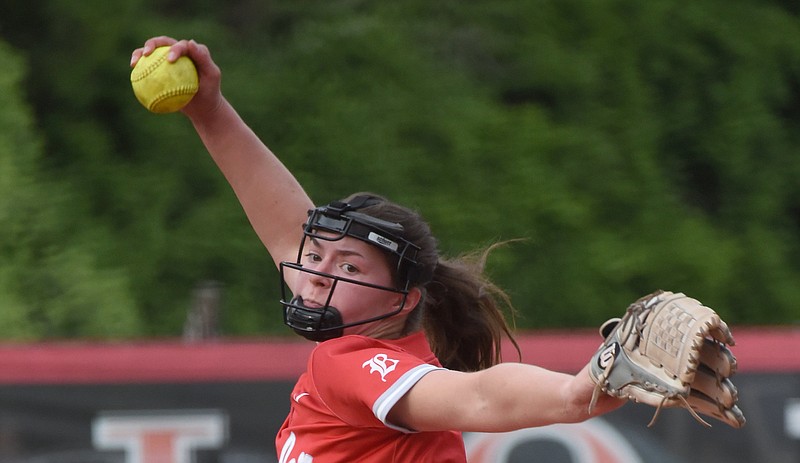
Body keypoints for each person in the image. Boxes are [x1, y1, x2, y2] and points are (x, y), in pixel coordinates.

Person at [131, 36, 624, 462]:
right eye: (315, 256)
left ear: (401, 300)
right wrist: (208, 109)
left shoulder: (348, 360)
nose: (319, 274)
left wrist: (575, 392)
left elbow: (478, 397)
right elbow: (283, 225)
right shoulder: (381, 350)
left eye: (349, 265)